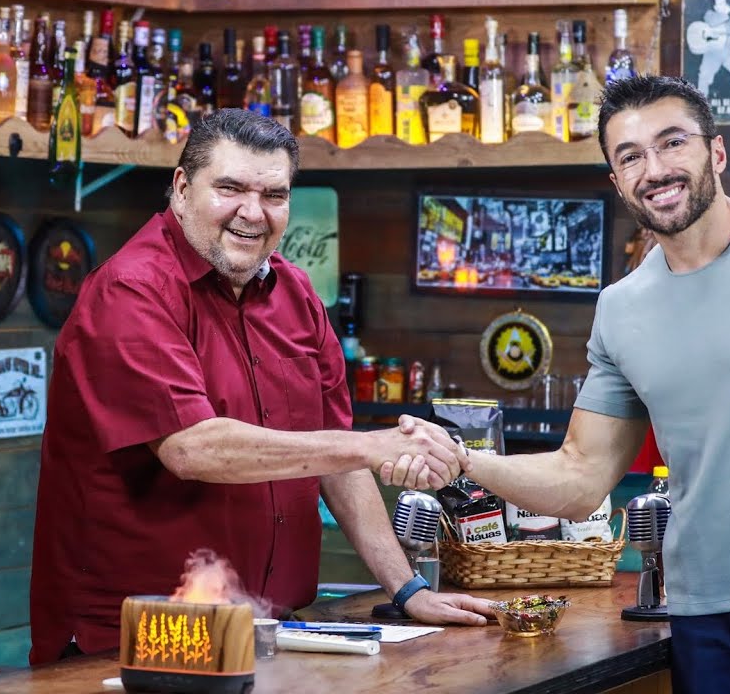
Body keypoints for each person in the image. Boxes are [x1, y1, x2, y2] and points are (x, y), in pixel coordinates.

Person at [385, 76, 730, 693]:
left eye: (672, 142)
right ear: (616, 179)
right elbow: (580, 478)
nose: (654, 169)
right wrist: (463, 460)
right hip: (705, 620)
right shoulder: (621, 308)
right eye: (630, 156)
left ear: (715, 152)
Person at [29, 109, 492, 665]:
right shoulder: (132, 291)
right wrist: (374, 445)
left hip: (271, 634)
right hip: (137, 644)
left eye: (274, 194)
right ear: (181, 188)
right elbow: (192, 447)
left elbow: (336, 459)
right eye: (230, 189)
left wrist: (409, 590)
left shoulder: (296, 295)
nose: (253, 213)